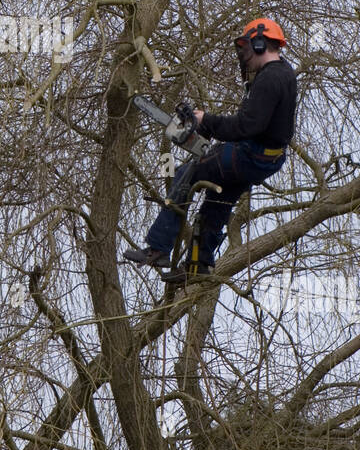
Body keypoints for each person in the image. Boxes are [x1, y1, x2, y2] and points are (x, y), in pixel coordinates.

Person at [123, 18, 297, 283]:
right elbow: (252, 125)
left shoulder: (271, 79)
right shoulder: (283, 73)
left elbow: (245, 126)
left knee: (186, 173)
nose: (243, 56)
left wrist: (207, 120)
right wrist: (211, 127)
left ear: (260, 44)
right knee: (218, 200)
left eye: (246, 48)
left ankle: (157, 247)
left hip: (251, 155)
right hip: (265, 159)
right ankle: (199, 264)